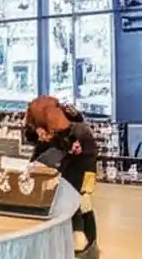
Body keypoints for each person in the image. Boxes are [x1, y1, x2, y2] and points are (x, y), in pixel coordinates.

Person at [25, 96, 98, 257]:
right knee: (72, 203)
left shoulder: (77, 131)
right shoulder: (50, 127)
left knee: (79, 203)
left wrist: (86, 189)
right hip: (66, 167)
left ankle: (82, 244)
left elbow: (87, 164)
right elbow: (36, 149)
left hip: (79, 168)